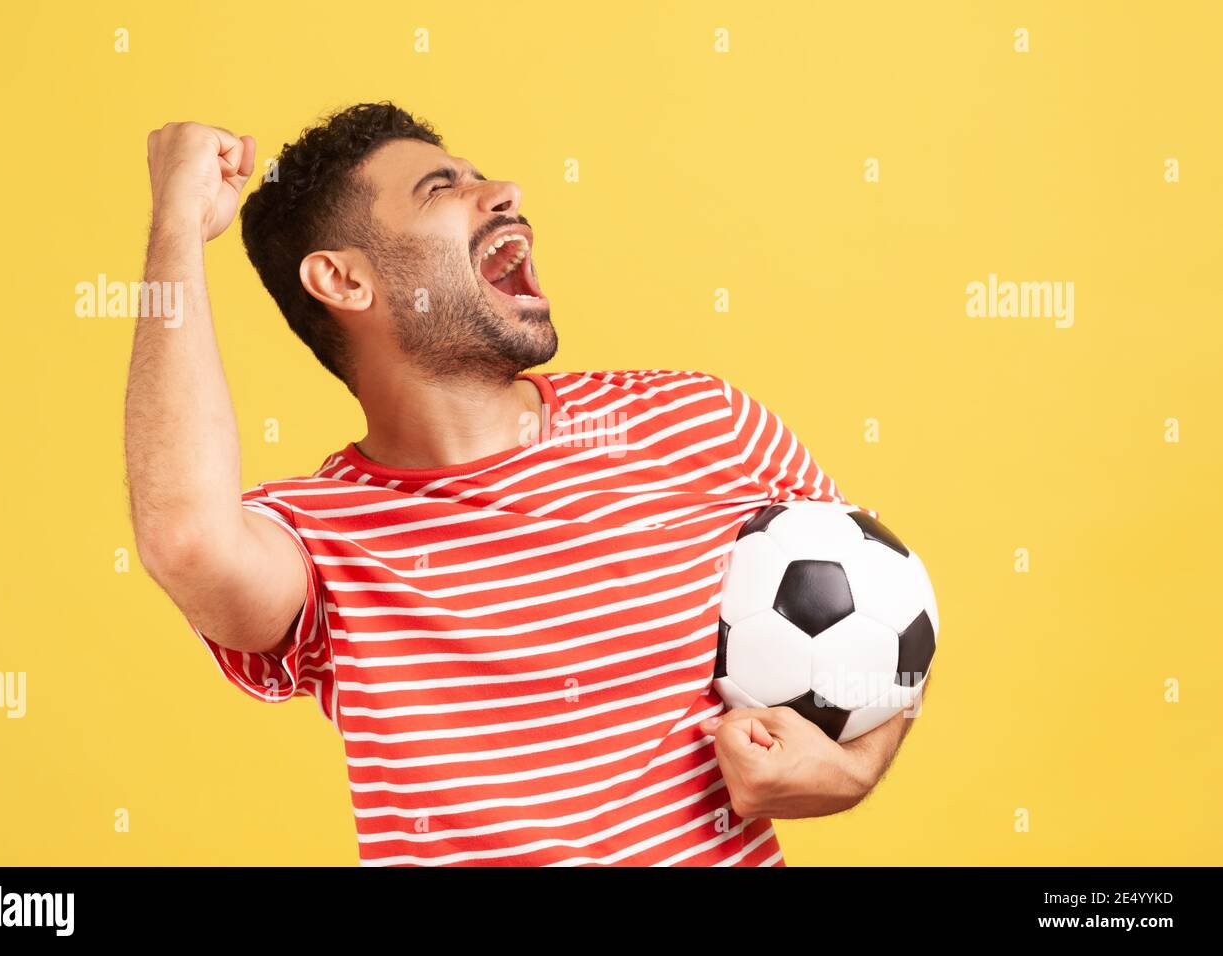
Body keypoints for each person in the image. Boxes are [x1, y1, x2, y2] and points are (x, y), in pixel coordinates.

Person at [125, 102, 920, 867]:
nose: (504, 192)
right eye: (441, 188)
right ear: (343, 280)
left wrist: (851, 773)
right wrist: (177, 227)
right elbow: (187, 542)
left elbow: (890, 620)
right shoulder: (324, 541)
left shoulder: (703, 420)